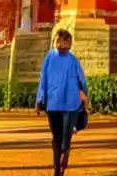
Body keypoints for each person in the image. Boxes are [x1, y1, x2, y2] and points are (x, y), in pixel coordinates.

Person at [35, 29, 89, 176]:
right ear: (54, 42)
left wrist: (84, 96)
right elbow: (43, 78)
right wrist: (39, 99)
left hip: (70, 104)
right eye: (58, 42)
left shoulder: (73, 60)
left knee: (65, 136)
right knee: (56, 137)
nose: (61, 45)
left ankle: (64, 157)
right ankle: (57, 168)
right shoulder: (49, 58)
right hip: (53, 104)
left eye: (65, 42)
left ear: (70, 44)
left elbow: (82, 80)